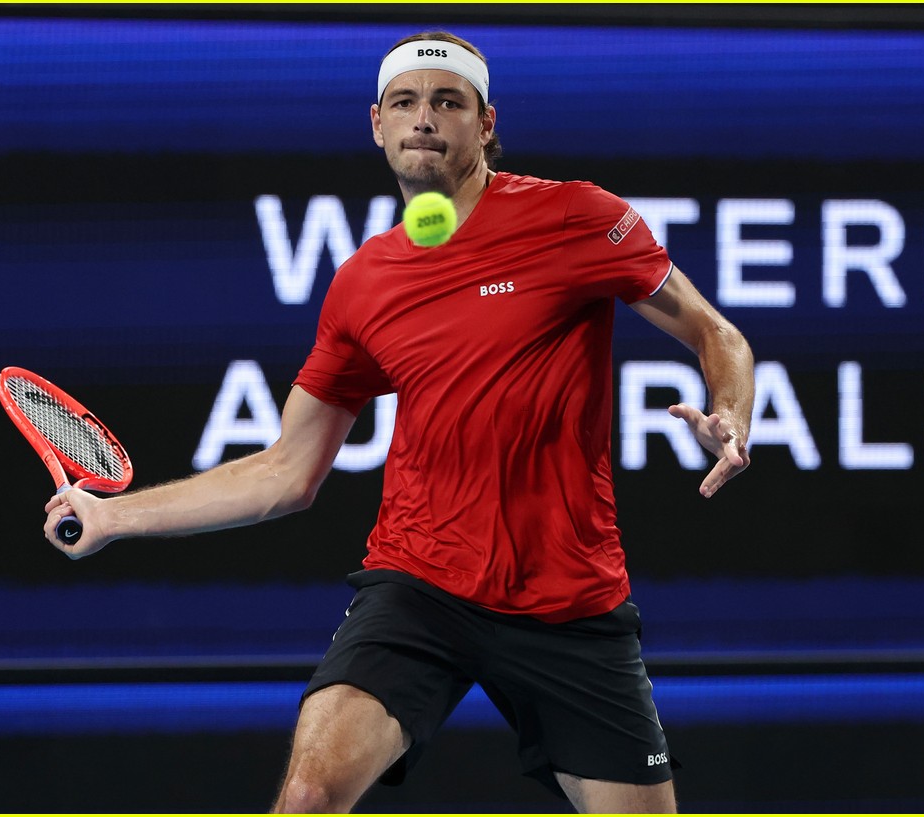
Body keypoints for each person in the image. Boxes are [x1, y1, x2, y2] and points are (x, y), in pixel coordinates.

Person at [44, 30, 754, 814]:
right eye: (408, 103)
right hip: (421, 586)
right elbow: (286, 471)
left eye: (448, 102)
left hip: (570, 602)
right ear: (377, 123)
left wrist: (730, 409)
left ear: (485, 125)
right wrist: (112, 515)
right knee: (310, 790)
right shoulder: (363, 284)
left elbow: (714, 332)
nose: (426, 118)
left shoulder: (576, 217)